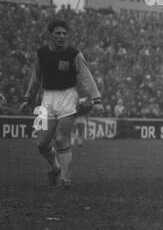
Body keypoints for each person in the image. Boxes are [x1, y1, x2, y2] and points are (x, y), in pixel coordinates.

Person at [19, 17, 101, 188]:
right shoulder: (41, 53)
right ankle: (55, 167)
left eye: (64, 33)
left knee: (61, 139)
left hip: (68, 97)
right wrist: (28, 98)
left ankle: (65, 178)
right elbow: (36, 77)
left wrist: (96, 99)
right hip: (46, 98)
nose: (62, 36)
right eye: (58, 33)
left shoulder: (74, 54)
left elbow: (86, 77)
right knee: (41, 144)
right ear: (51, 35)